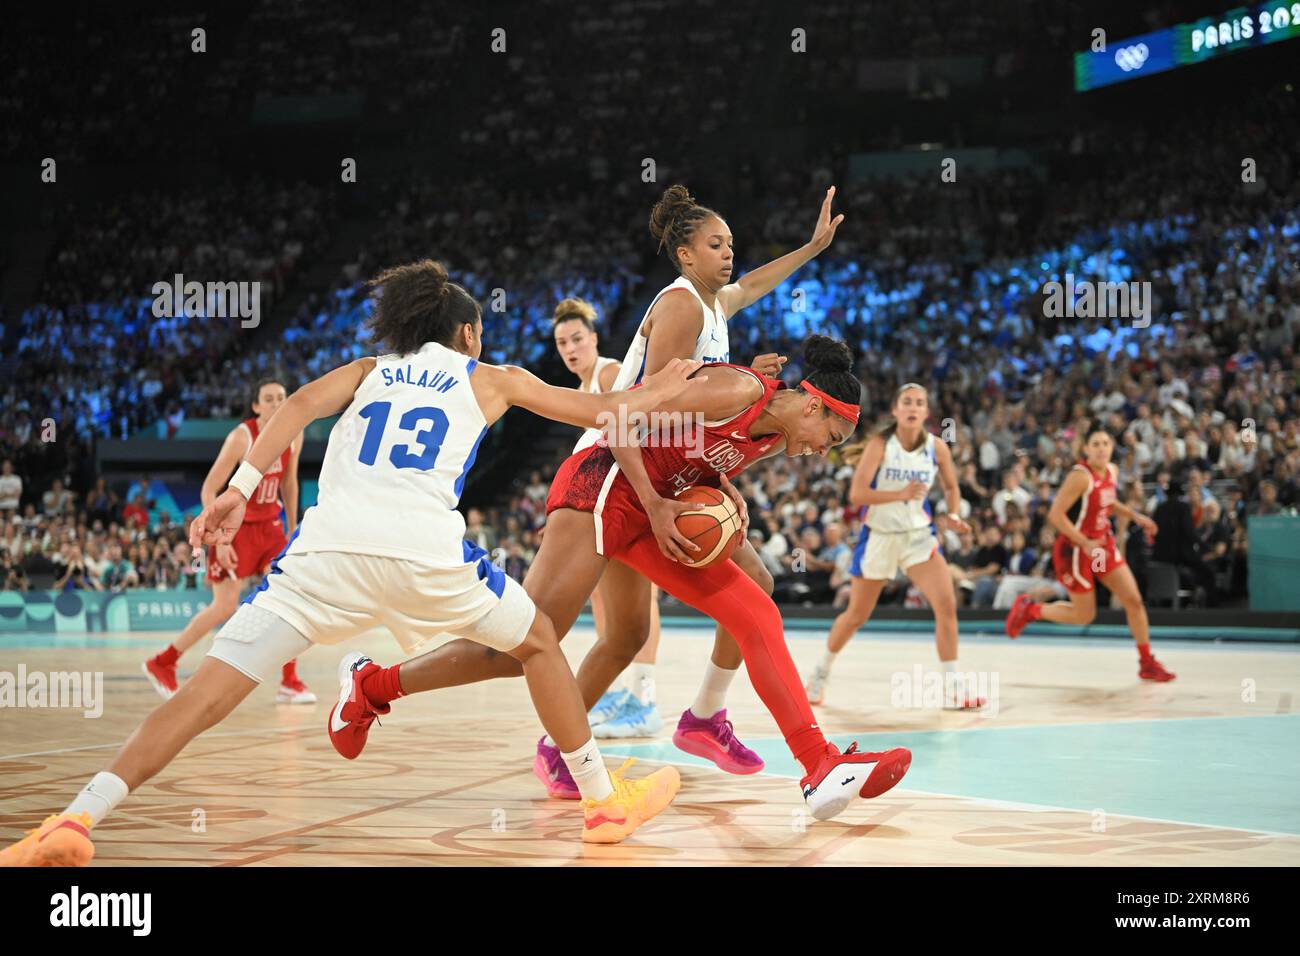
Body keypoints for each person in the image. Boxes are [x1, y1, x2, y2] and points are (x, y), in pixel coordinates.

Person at [0, 259, 693, 866]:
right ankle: (603, 806)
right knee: (539, 642)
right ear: (468, 335)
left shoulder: (370, 370)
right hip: (422, 553)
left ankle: (77, 817)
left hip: (325, 554)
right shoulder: (493, 378)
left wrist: (240, 492)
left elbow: (297, 408)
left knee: (204, 694)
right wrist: (668, 387)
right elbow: (605, 410)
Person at [375, 336, 913, 823]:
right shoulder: (736, 388)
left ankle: (817, 762)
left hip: (654, 514)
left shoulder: (775, 438)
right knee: (520, 650)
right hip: (603, 488)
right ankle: (375, 685)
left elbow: (693, 457)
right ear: (814, 404)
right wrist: (655, 505)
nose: (826, 449)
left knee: (744, 612)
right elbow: (622, 419)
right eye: (831, 435)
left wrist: (724, 490)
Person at [555, 182, 843, 752]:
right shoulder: (683, 303)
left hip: (658, 466)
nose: (729, 252)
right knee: (559, 635)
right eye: (716, 243)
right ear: (686, 254)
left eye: (731, 242)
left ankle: (701, 717)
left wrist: (812, 248)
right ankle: (567, 739)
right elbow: (648, 411)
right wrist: (666, 499)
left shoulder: (714, 303)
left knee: (638, 629)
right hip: (615, 464)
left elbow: (756, 284)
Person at [805, 384, 981, 710]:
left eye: (919, 403)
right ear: (896, 410)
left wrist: (954, 514)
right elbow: (857, 495)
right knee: (857, 615)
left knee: (946, 605)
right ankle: (820, 673)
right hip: (880, 535)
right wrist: (898, 495)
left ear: (926, 413)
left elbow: (952, 486)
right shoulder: (879, 444)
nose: (913, 407)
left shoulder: (936, 447)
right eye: (907, 402)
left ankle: (953, 687)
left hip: (918, 535)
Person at [141, 381, 314, 704]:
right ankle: (163, 661)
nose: (277, 403)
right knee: (223, 606)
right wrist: (219, 542)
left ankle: (290, 681)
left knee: (289, 595)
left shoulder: (295, 432)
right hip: (238, 528)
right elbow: (209, 490)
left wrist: (292, 529)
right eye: (269, 399)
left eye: (281, 397)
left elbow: (289, 484)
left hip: (271, 526)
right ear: (256, 406)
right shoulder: (241, 437)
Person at [1005, 424, 1175, 681]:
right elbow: (1055, 514)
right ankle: (1030, 610)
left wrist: (1136, 516)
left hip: (1101, 547)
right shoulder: (1080, 476)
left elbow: (1108, 500)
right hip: (1075, 550)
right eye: (1095, 444)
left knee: (1134, 600)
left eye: (1105, 443)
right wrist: (1083, 541)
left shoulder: (1112, 471)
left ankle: (1146, 661)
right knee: (1085, 615)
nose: (1101, 449)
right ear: (1085, 449)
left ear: (1111, 447)